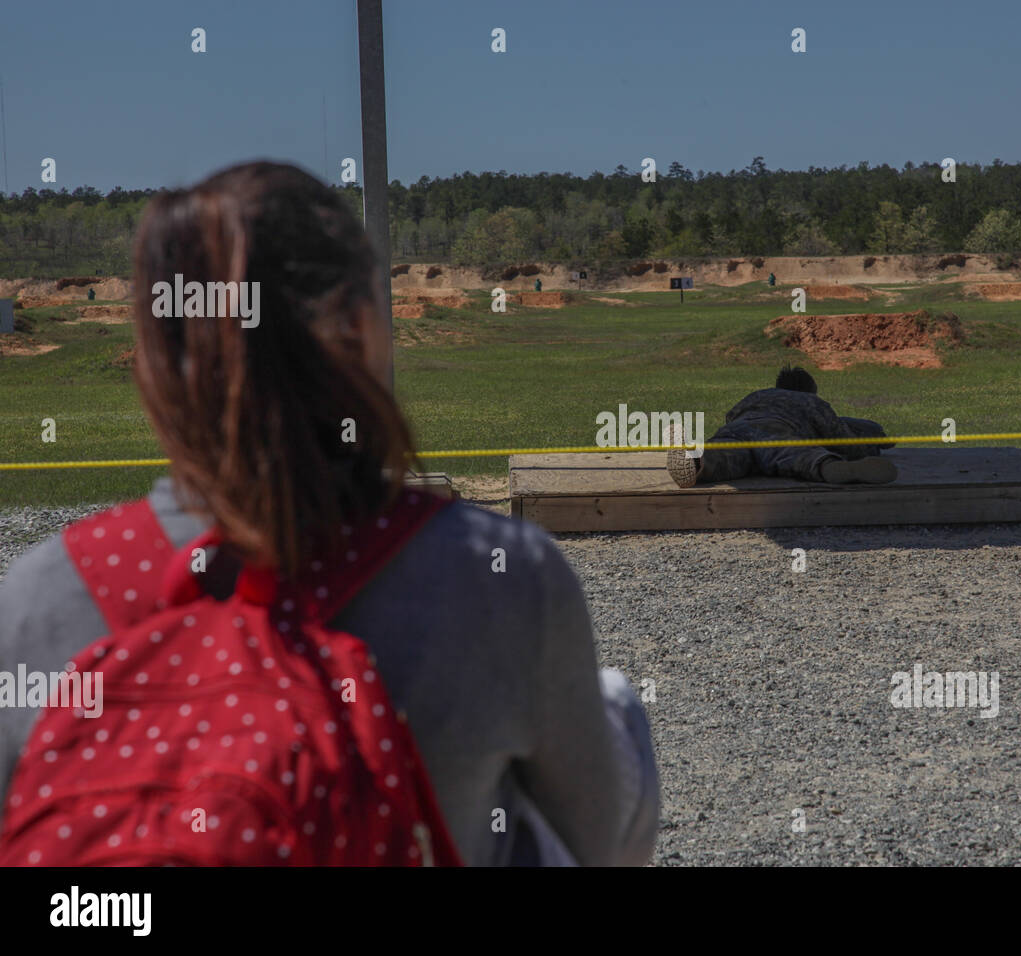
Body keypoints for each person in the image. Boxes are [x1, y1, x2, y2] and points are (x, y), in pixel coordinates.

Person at [0, 162, 658, 867]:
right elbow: (597, 840)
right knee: (614, 712)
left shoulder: (33, 599)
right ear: (359, 327)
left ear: (155, 357)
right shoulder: (502, 580)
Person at [667, 365, 898, 487]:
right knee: (797, 455)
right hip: (778, 432)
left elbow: (731, 416)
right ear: (809, 390)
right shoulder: (810, 401)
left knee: (725, 453)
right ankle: (830, 468)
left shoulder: (758, 395)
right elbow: (842, 439)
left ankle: (697, 461)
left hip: (738, 429)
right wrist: (871, 447)